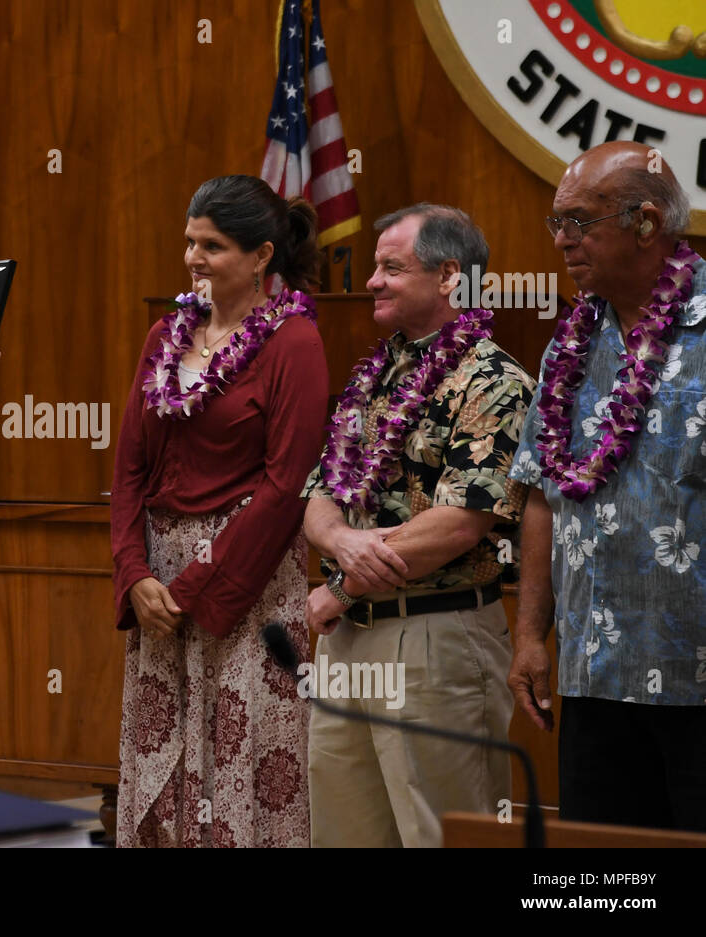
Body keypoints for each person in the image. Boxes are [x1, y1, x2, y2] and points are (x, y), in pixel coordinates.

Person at [300, 204, 536, 848]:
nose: (371, 280)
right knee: (344, 835)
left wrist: (343, 583)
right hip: (347, 639)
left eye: (391, 267)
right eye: (375, 267)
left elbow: (460, 523)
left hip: (436, 636)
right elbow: (319, 495)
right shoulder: (376, 375)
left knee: (441, 835)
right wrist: (342, 540)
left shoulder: (497, 381)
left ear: (450, 276)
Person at [111, 174, 328, 847]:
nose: (193, 258)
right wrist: (133, 572)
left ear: (262, 256)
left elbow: (286, 484)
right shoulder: (164, 335)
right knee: (162, 773)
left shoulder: (294, 343)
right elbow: (128, 468)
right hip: (158, 592)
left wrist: (194, 589)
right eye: (189, 242)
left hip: (247, 590)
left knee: (242, 770)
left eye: (213, 246)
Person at [507, 142, 706, 832]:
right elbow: (539, 492)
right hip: (594, 676)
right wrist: (531, 635)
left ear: (647, 222)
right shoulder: (571, 344)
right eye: (555, 223)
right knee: (606, 882)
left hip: (696, 680)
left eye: (578, 222)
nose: (562, 241)